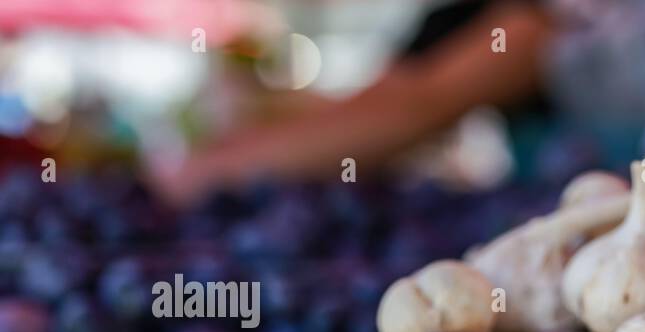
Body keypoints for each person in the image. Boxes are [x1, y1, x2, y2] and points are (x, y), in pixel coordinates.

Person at [150, 0, 550, 203]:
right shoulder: (459, 15)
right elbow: (382, 96)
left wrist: (218, 170)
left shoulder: (536, 17)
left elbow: (417, 105)